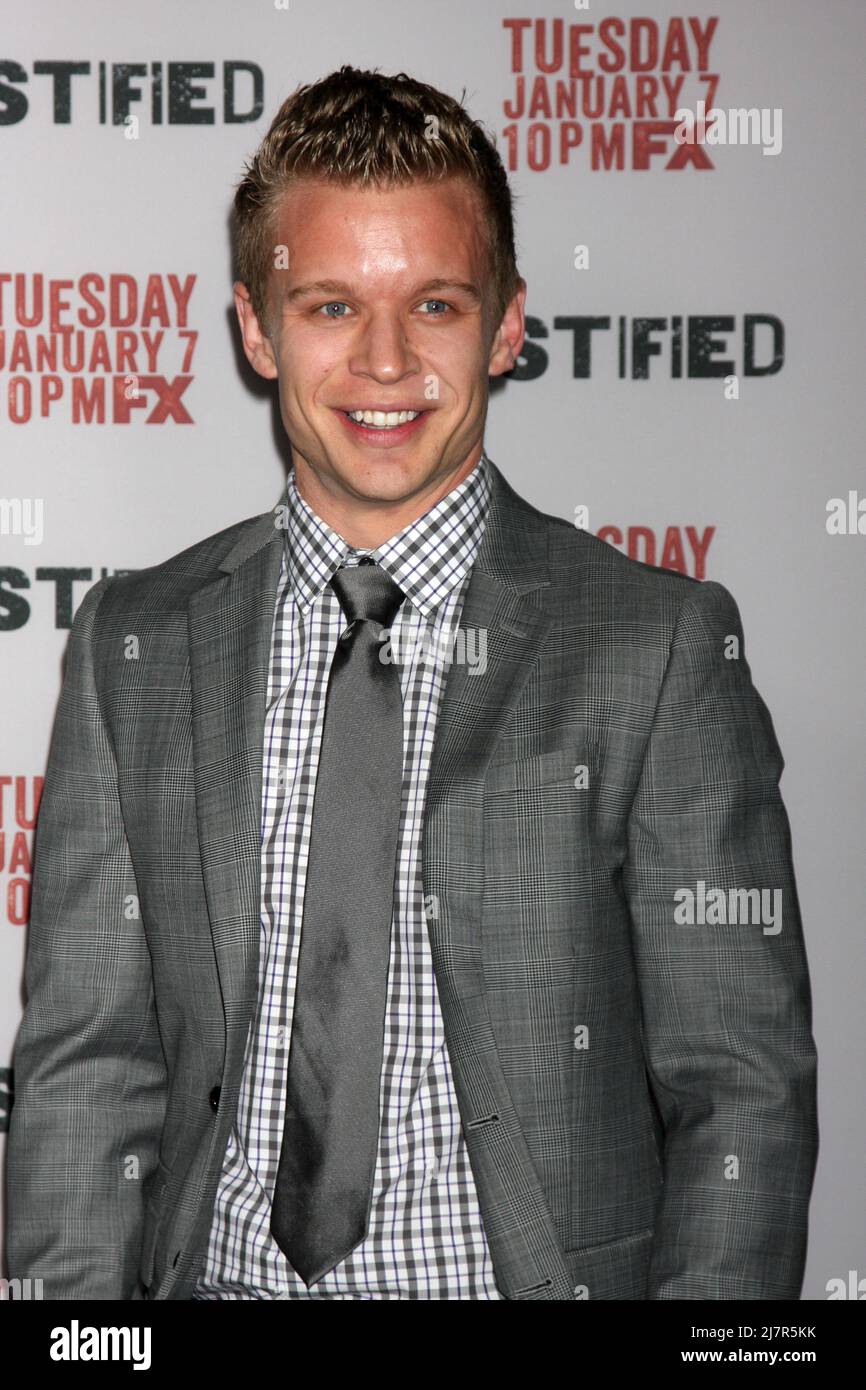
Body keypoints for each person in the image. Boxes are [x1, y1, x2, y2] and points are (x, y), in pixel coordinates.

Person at [5, 66, 817, 1301]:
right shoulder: (139, 642)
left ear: (504, 324)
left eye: (432, 304)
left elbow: (740, 1092)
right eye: (329, 305)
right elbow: (86, 1070)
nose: (385, 362)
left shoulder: (653, 647)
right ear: (254, 328)